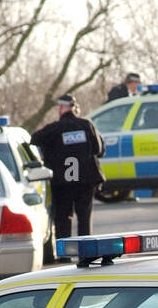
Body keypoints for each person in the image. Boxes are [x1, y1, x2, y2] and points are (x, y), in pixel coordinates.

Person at [30, 94, 104, 245]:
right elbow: (99, 149)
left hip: (63, 183)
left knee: (63, 217)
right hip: (85, 181)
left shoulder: (54, 129)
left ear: (61, 108)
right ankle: (86, 252)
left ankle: (65, 253)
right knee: (84, 217)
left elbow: (34, 139)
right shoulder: (86, 125)